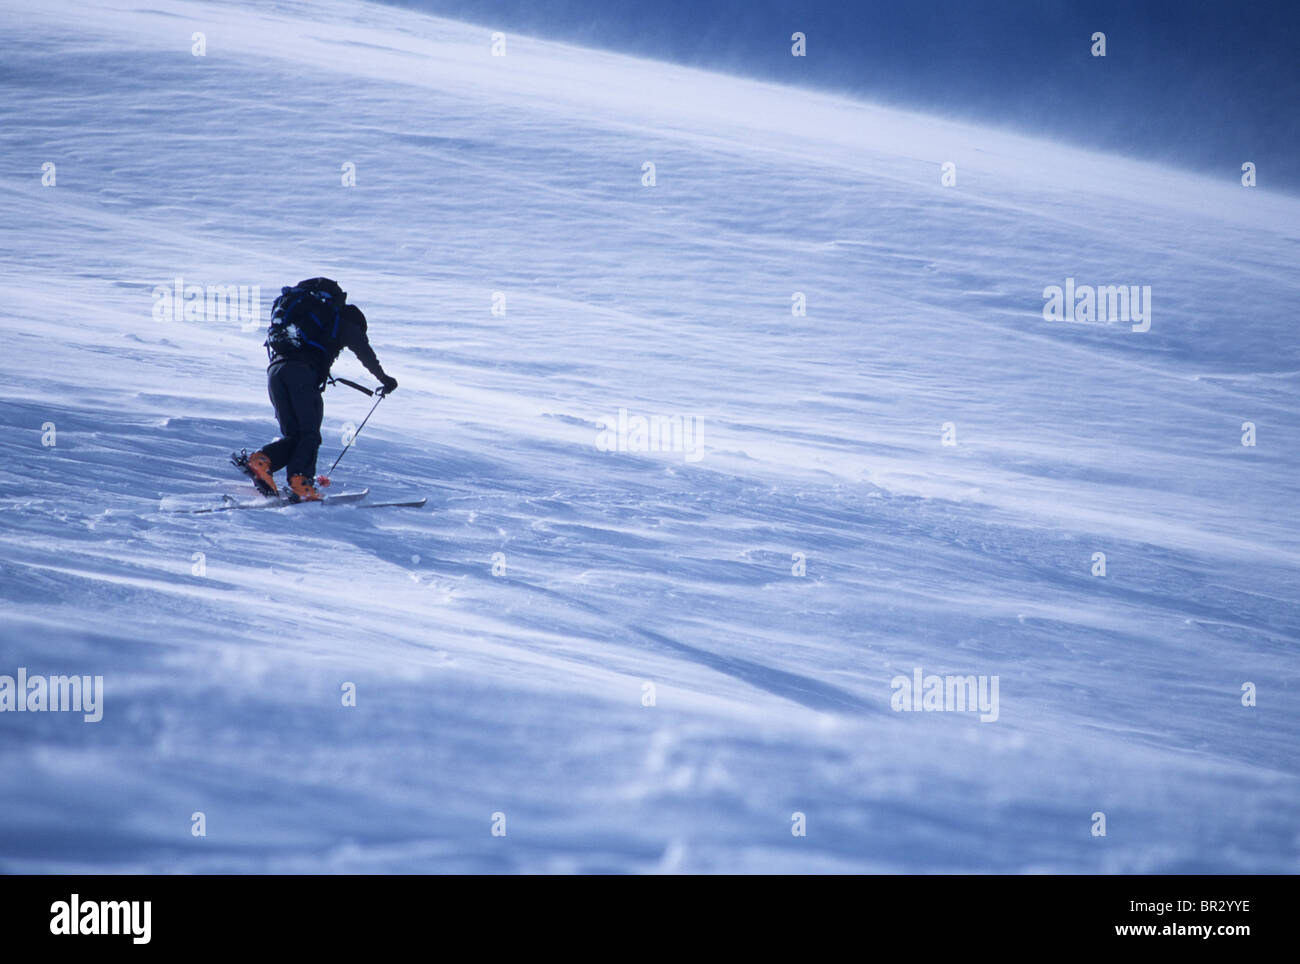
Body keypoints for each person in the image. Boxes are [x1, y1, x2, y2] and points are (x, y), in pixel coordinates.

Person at [232, 278, 397, 501]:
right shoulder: (344, 321)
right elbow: (364, 352)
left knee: (295, 436)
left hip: (275, 372)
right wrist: (385, 379)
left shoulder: (308, 319)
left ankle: (261, 462)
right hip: (301, 373)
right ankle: (301, 484)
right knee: (309, 434)